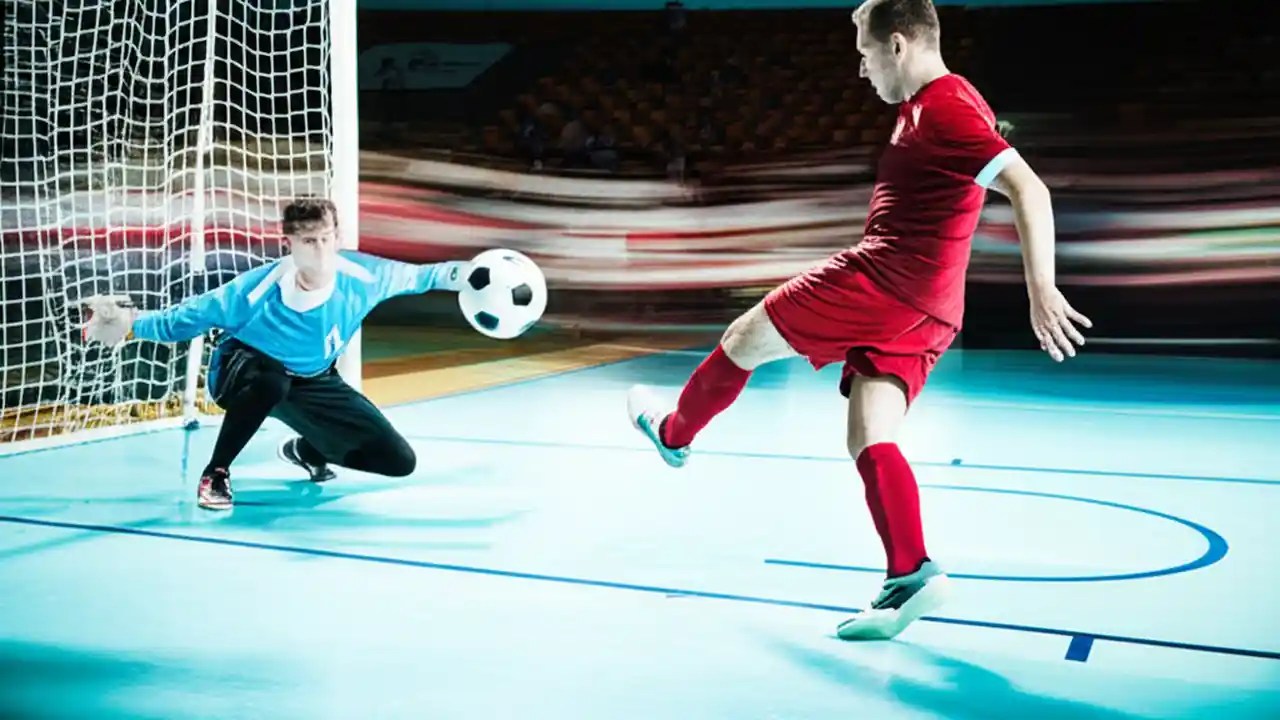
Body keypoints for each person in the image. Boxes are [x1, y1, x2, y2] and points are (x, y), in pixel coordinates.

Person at [626, 0, 1093, 641]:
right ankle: (911, 575)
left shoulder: (944, 107)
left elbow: (1028, 188)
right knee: (871, 436)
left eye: (865, 54)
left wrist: (1041, 288)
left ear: (897, 46)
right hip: (929, 308)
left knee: (742, 338)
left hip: (884, 283)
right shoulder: (942, 104)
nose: (862, 69)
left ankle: (674, 434)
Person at [82, 197, 470, 511]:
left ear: (337, 239)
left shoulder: (366, 276)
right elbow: (182, 319)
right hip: (243, 372)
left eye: (325, 239)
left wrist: (470, 273)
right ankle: (216, 474)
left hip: (313, 379)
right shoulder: (254, 291)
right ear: (289, 244)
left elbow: (428, 277)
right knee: (271, 380)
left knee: (398, 461)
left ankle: (305, 448)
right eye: (307, 241)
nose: (318, 251)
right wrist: (128, 323)